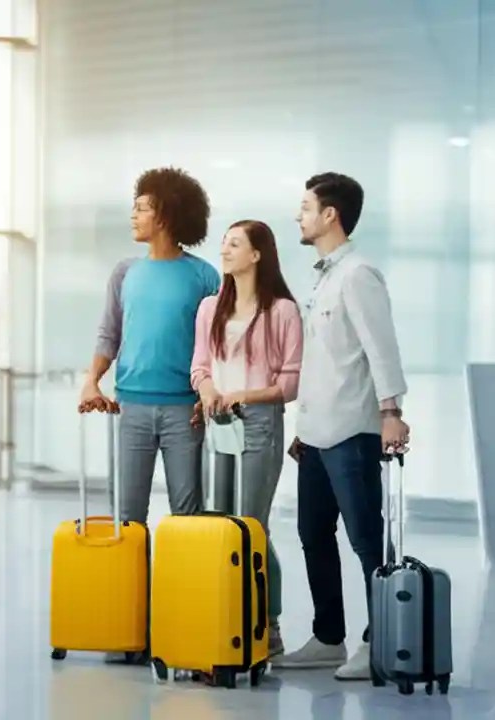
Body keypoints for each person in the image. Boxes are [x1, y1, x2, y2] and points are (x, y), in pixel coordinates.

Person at [278, 172, 411, 680]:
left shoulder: (358, 274)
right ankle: (328, 637)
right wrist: (302, 424)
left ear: (330, 214)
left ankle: (381, 640)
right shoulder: (326, 276)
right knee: (314, 534)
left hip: (352, 434)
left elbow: (382, 349)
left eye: (306, 206)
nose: (300, 215)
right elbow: (326, 361)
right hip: (315, 434)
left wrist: (390, 413)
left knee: (366, 540)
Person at [79, 167, 221, 525]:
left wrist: (207, 394)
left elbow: (218, 346)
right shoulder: (125, 272)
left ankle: (183, 583)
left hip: (184, 412)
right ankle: (133, 583)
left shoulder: (205, 276)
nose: (134, 215)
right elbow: (108, 333)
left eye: (143, 208)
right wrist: (91, 380)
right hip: (131, 407)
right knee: (126, 518)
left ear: (166, 215)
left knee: (187, 517)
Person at [190, 219, 302, 659]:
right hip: (218, 419)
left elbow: (290, 384)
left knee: (253, 526)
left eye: (235, 244)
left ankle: (267, 623)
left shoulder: (283, 311)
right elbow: (200, 365)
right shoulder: (208, 308)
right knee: (219, 523)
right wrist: (211, 392)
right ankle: (226, 618)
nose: (225, 250)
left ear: (257, 254)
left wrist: (243, 395)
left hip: (260, 421)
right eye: (224, 243)